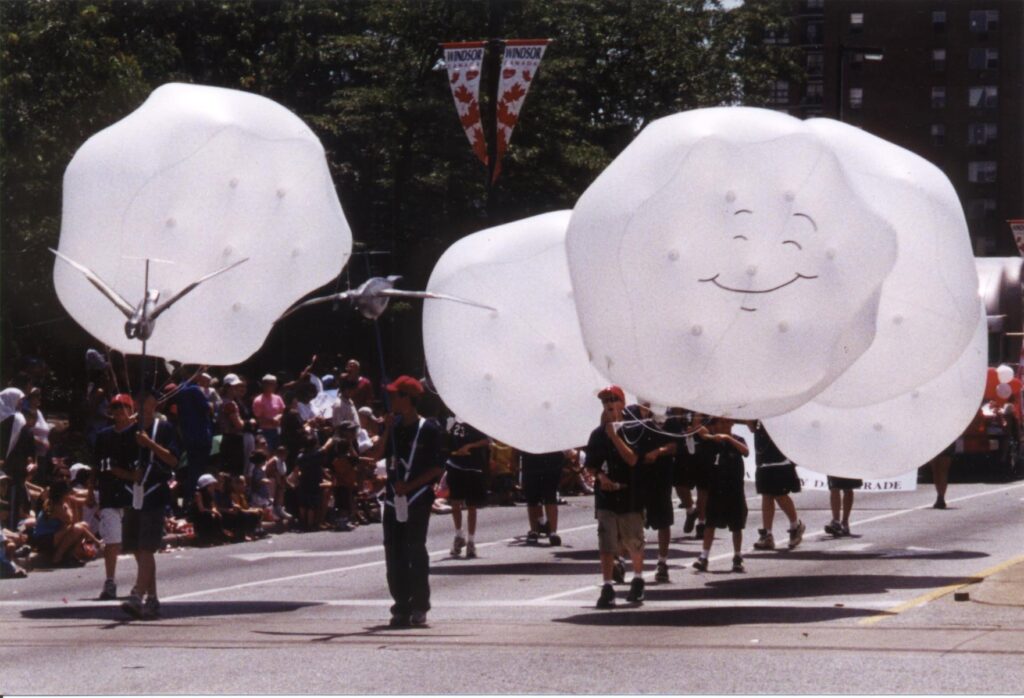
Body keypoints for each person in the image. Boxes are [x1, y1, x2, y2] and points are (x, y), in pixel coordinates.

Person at [366, 376, 443, 627]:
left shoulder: (428, 428)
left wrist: (410, 486)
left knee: (414, 550)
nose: (391, 400)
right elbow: (375, 456)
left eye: (396, 395)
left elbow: (436, 468)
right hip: (393, 499)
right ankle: (401, 604)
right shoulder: (394, 426)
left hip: (417, 497)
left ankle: (420, 605)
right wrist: (387, 429)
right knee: (393, 552)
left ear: (408, 399)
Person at [585, 386, 646, 609]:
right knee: (606, 542)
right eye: (605, 401)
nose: (608, 404)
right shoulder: (597, 434)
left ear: (621, 403)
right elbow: (590, 465)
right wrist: (601, 477)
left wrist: (615, 436)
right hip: (606, 496)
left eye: (613, 400)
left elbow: (632, 459)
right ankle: (607, 585)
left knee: (633, 540)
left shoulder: (634, 430)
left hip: (630, 494)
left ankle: (638, 579)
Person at [121, 390, 180, 620]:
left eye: (148, 401)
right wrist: (128, 474)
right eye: (140, 400)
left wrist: (149, 444)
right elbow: (118, 463)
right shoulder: (128, 431)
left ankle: (137, 593)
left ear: (156, 404)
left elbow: (173, 459)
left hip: (154, 492)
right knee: (137, 548)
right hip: (133, 492)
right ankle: (153, 598)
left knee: (147, 547)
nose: (144, 404)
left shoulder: (164, 429)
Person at [90, 393, 139, 600]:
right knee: (112, 540)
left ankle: (141, 582)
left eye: (123, 407)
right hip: (109, 491)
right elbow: (96, 464)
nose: (119, 411)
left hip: (132, 493)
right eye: (115, 407)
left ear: (130, 409)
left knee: (135, 541)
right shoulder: (104, 435)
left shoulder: (139, 434)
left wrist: (125, 474)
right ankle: (110, 581)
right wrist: (90, 491)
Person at [631, 403, 685, 583]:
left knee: (663, 520)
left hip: (661, 474)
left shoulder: (667, 415)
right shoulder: (631, 413)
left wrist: (658, 451)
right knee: (632, 518)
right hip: (637, 473)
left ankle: (662, 562)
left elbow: (676, 445)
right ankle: (624, 561)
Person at [693, 418, 749, 573]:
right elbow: (698, 430)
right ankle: (704, 556)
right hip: (716, 489)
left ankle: (737, 556)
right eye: (720, 423)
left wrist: (728, 438)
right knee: (710, 524)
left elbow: (746, 451)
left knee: (736, 526)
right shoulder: (712, 442)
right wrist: (711, 436)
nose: (723, 426)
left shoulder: (737, 439)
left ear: (731, 424)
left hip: (734, 489)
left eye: (726, 423)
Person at [751, 421, 805, 551]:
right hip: (763, 460)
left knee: (780, 495)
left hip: (780, 461)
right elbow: (752, 427)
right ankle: (767, 534)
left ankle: (795, 526)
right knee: (766, 496)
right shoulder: (759, 418)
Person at [444, 417, 489, 557]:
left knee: (472, 506)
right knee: (455, 503)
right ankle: (459, 535)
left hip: (473, 467)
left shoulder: (476, 420)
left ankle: (471, 541)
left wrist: (470, 446)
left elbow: (487, 440)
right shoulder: (452, 421)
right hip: (455, 465)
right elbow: (446, 440)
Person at [521, 450, 564, 547]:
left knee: (550, 495)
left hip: (552, 457)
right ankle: (534, 531)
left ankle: (553, 532)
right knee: (532, 497)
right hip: (531, 456)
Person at [252, 374, 285, 450]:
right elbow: (258, 417)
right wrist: (271, 421)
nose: (274, 386)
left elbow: (283, 411)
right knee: (267, 452)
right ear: (264, 385)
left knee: (278, 451)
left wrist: (278, 417)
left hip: (277, 429)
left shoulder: (278, 398)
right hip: (265, 431)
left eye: (275, 384)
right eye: (271, 384)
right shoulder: (258, 400)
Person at [929, 443, 954, 509]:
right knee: (937, 470)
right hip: (936, 443)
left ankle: (941, 496)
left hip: (942, 444)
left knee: (940, 470)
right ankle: (940, 496)